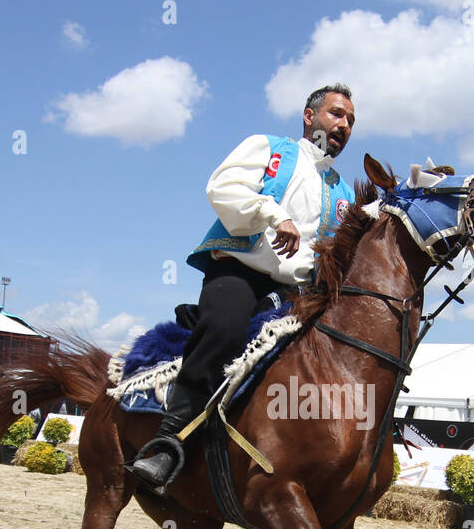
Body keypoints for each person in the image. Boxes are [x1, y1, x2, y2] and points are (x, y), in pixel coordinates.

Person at [129, 83, 357, 490]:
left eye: (350, 121)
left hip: (293, 291)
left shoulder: (342, 190)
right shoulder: (269, 149)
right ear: (310, 116)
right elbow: (223, 188)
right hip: (240, 271)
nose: (344, 125)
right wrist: (272, 213)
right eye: (336, 114)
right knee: (226, 329)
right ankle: (169, 439)